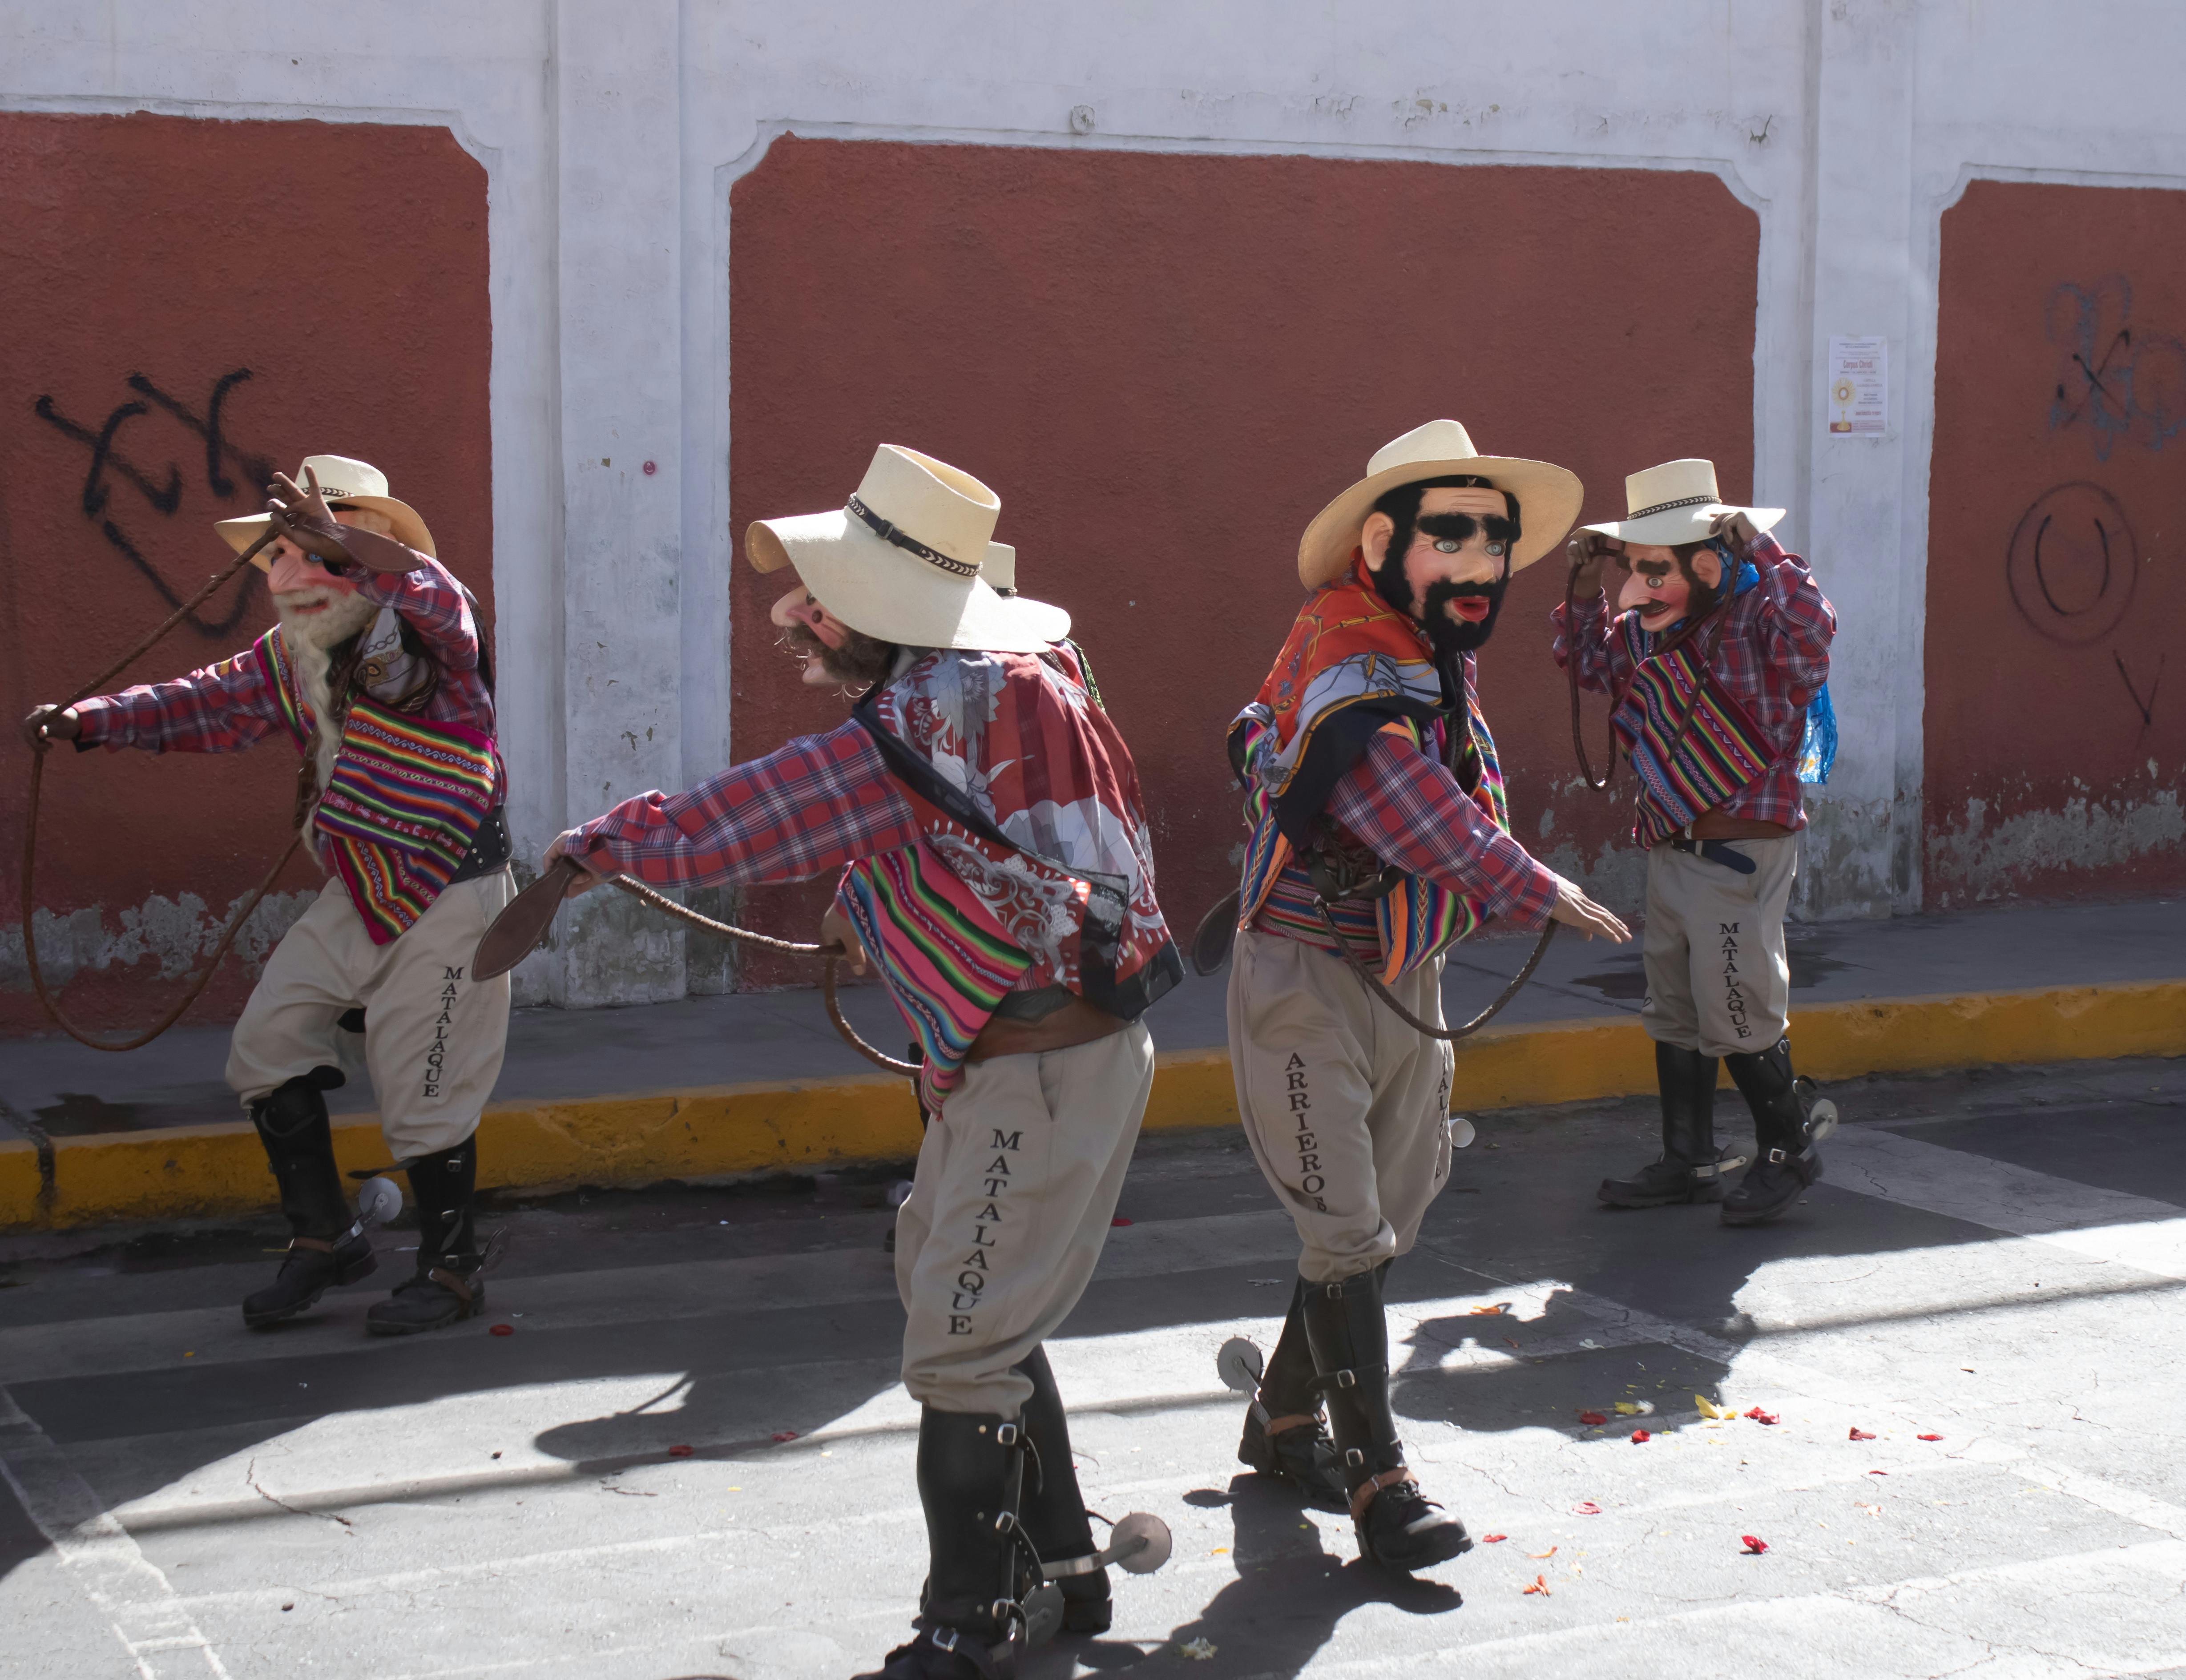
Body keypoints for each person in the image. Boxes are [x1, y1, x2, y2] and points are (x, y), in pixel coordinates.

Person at [545, 444, 1182, 1679]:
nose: (798, 617)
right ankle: (1063, 1569)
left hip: (1036, 1068)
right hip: (1043, 1056)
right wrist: (872, 904)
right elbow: (970, 836)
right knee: (980, 1309)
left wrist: (593, 847)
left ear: (891, 608)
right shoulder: (1016, 680)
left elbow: (743, 817)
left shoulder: (923, 713)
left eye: (823, 596)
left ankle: (967, 1623)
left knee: (957, 1341)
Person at [1222, 420, 1630, 1570]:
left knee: (1382, 1221)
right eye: (1452, 532)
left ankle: (1283, 1420)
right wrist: (1535, 882)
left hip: (1405, 969)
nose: (1482, 559)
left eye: (1495, 537)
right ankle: (1378, 1480)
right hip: (1306, 973)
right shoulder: (1350, 650)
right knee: (1350, 1232)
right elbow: (1406, 806)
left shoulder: (1419, 653)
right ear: (1382, 539)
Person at [20, 456, 513, 1334]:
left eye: (307, 553)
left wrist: (349, 547)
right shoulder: (289, 658)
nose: (285, 573)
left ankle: (453, 1266)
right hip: (359, 893)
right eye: (281, 554)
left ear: (369, 554)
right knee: (265, 1046)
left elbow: (438, 597)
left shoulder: (433, 637)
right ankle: (325, 1239)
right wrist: (89, 722)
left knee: (427, 1094)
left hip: (451, 894)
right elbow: (201, 704)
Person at [1552, 457, 1838, 1226]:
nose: (1639, 584)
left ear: (1708, 563)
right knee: (1676, 1011)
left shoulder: (1757, 622)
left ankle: (1788, 1148)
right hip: (1674, 848)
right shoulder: (1651, 635)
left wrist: (1764, 550)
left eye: (1656, 567)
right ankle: (1690, 1158)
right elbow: (1585, 663)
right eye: (1634, 568)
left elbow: (1814, 632)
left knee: (1737, 1008)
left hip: (1739, 853)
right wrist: (1580, 589)